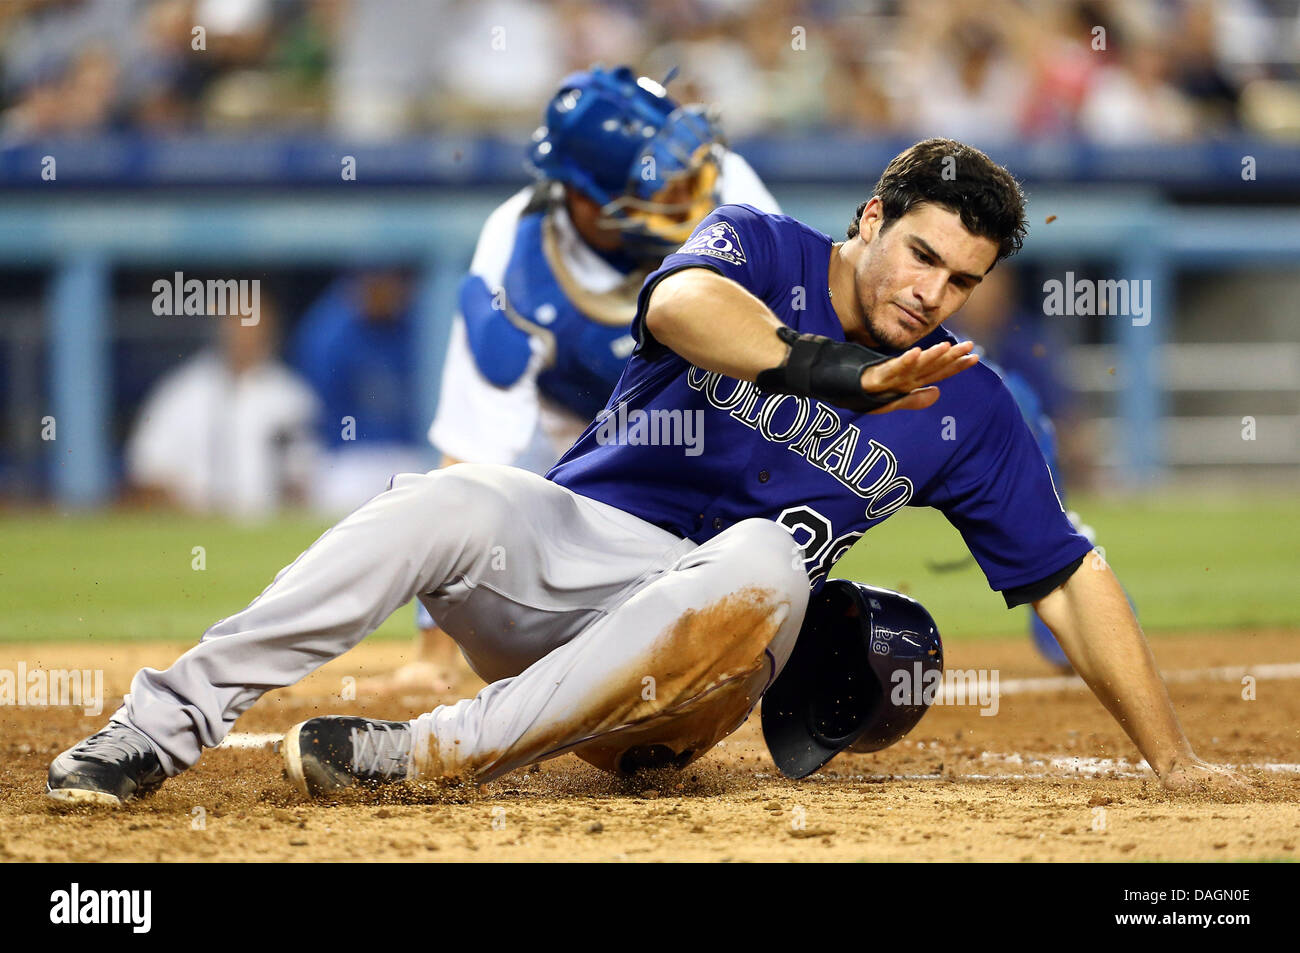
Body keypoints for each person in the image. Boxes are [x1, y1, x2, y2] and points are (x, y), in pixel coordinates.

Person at [48, 138, 1244, 805]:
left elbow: (1065, 576)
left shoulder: (965, 401)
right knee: (446, 498)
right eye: (921, 252)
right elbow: (677, 306)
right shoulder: (764, 247)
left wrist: (1171, 758)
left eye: (959, 278)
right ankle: (154, 728)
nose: (930, 290)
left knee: (772, 553)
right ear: (872, 219)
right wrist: (832, 371)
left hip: (701, 657)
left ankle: (423, 755)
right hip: (571, 563)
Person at [376, 64, 781, 692]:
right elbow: (467, 459)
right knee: (515, 520)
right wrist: (433, 650)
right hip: (575, 428)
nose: (693, 190)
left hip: (718, 402)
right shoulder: (514, 257)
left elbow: (792, 348)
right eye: (662, 182)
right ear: (590, 199)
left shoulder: (729, 187)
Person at [124, 298, 319, 520]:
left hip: (264, 526)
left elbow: (305, 479)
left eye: (253, 328)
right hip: (192, 524)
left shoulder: (290, 396)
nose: (245, 337)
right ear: (222, 329)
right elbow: (147, 472)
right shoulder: (181, 391)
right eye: (237, 325)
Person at [289, 267, 429, 515]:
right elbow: (315, 407)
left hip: (404, 451)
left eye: (393, 282)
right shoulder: (330, 333)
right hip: (348, 457)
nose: (388, 291)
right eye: (378, 282)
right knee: (340, 505)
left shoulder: (412, 326)